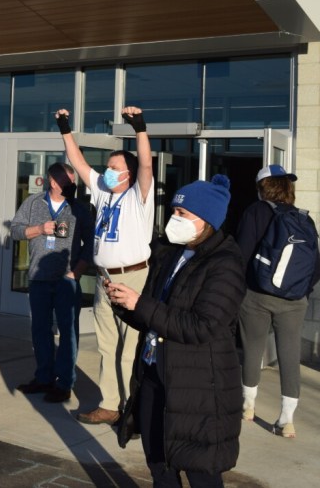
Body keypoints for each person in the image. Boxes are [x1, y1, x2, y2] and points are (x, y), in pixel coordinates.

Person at [110, 175, 245, 487]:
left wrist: (140, 304)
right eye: (173, 211)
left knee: (201, 473)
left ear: (207, 220)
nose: (175, 218)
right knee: (160, 468)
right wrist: (124, 304)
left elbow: (203, 326)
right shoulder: (170, 252)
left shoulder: (226, 264)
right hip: (155, 376)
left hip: (198, 388)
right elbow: (156, 315)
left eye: (183, 214)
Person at [55, 106, 155, 425]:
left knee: (130, 349)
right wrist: (65, 128)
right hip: (105, 280)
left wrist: (139, 128)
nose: (108, 171)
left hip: (133, 278)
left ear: (128, 173)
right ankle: (110, 404)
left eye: (114, 167)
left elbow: (147, 164)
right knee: (107, 346)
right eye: (108, 167)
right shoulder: (102, 193)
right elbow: (78, 162)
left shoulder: (139, 196)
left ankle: (132, 408)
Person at [235, 165, 320, 439]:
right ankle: (287, 420)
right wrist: (301, 292)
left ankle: (248, 407)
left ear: (261, 188)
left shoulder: (255, 211)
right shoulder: (303, 218)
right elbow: (316, 265)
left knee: (253, 349)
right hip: (295, 300)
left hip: (257, 295)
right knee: (289, 355)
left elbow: (242, 254)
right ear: (287, 188)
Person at [9, 163, 93, 402]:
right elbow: (15, 231)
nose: (72, 186)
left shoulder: (79, 208)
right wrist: (38, 229)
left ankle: (65, 383)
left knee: (68, 333)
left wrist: (76, 273)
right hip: (39, 278)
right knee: (40, 330)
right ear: (53, 182)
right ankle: (44, 377)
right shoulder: (34, 203)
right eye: (67, 182)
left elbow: (92, 244)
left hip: (67, 281)